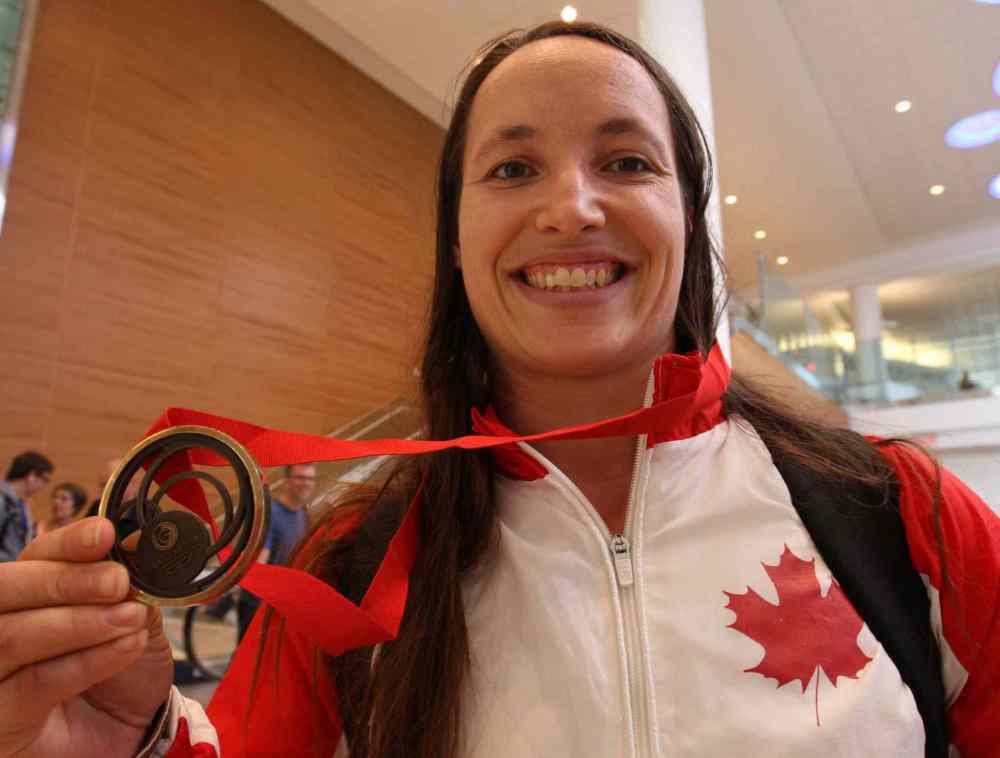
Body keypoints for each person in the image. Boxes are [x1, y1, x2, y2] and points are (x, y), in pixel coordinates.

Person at [1, 20, 998, 758]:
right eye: (513, 166)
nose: (570, 206)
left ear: (688, 219)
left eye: (625, 159)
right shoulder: (353, 568)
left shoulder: (900, 512)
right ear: (457, 238)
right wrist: (120, 740)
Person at [234, 464, 315, 640]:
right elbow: (259, 563)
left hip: (282, 605)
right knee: (249, 661)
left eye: (310, 478)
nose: (306, 483)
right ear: (286, 481)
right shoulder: (271, 514)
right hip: (258, 605)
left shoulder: (303, 514)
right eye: (300, 477)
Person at [0, 451, 53, 561]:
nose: (43, 486)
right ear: (31, 476)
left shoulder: (21, 504)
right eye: (45, 480)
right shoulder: (2, 500)